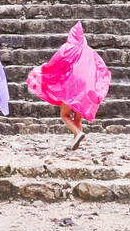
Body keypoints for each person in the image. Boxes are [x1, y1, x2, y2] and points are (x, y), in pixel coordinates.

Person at [26, 21, 111, 150]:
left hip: (70, 86)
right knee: (78, 117)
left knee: (65, 115)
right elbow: (100, 68)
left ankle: (78, 133)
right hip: (85, 88)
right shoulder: (90, 52)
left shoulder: (67, 48)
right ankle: (77, 141)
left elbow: (55, 63)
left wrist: (44, 69)